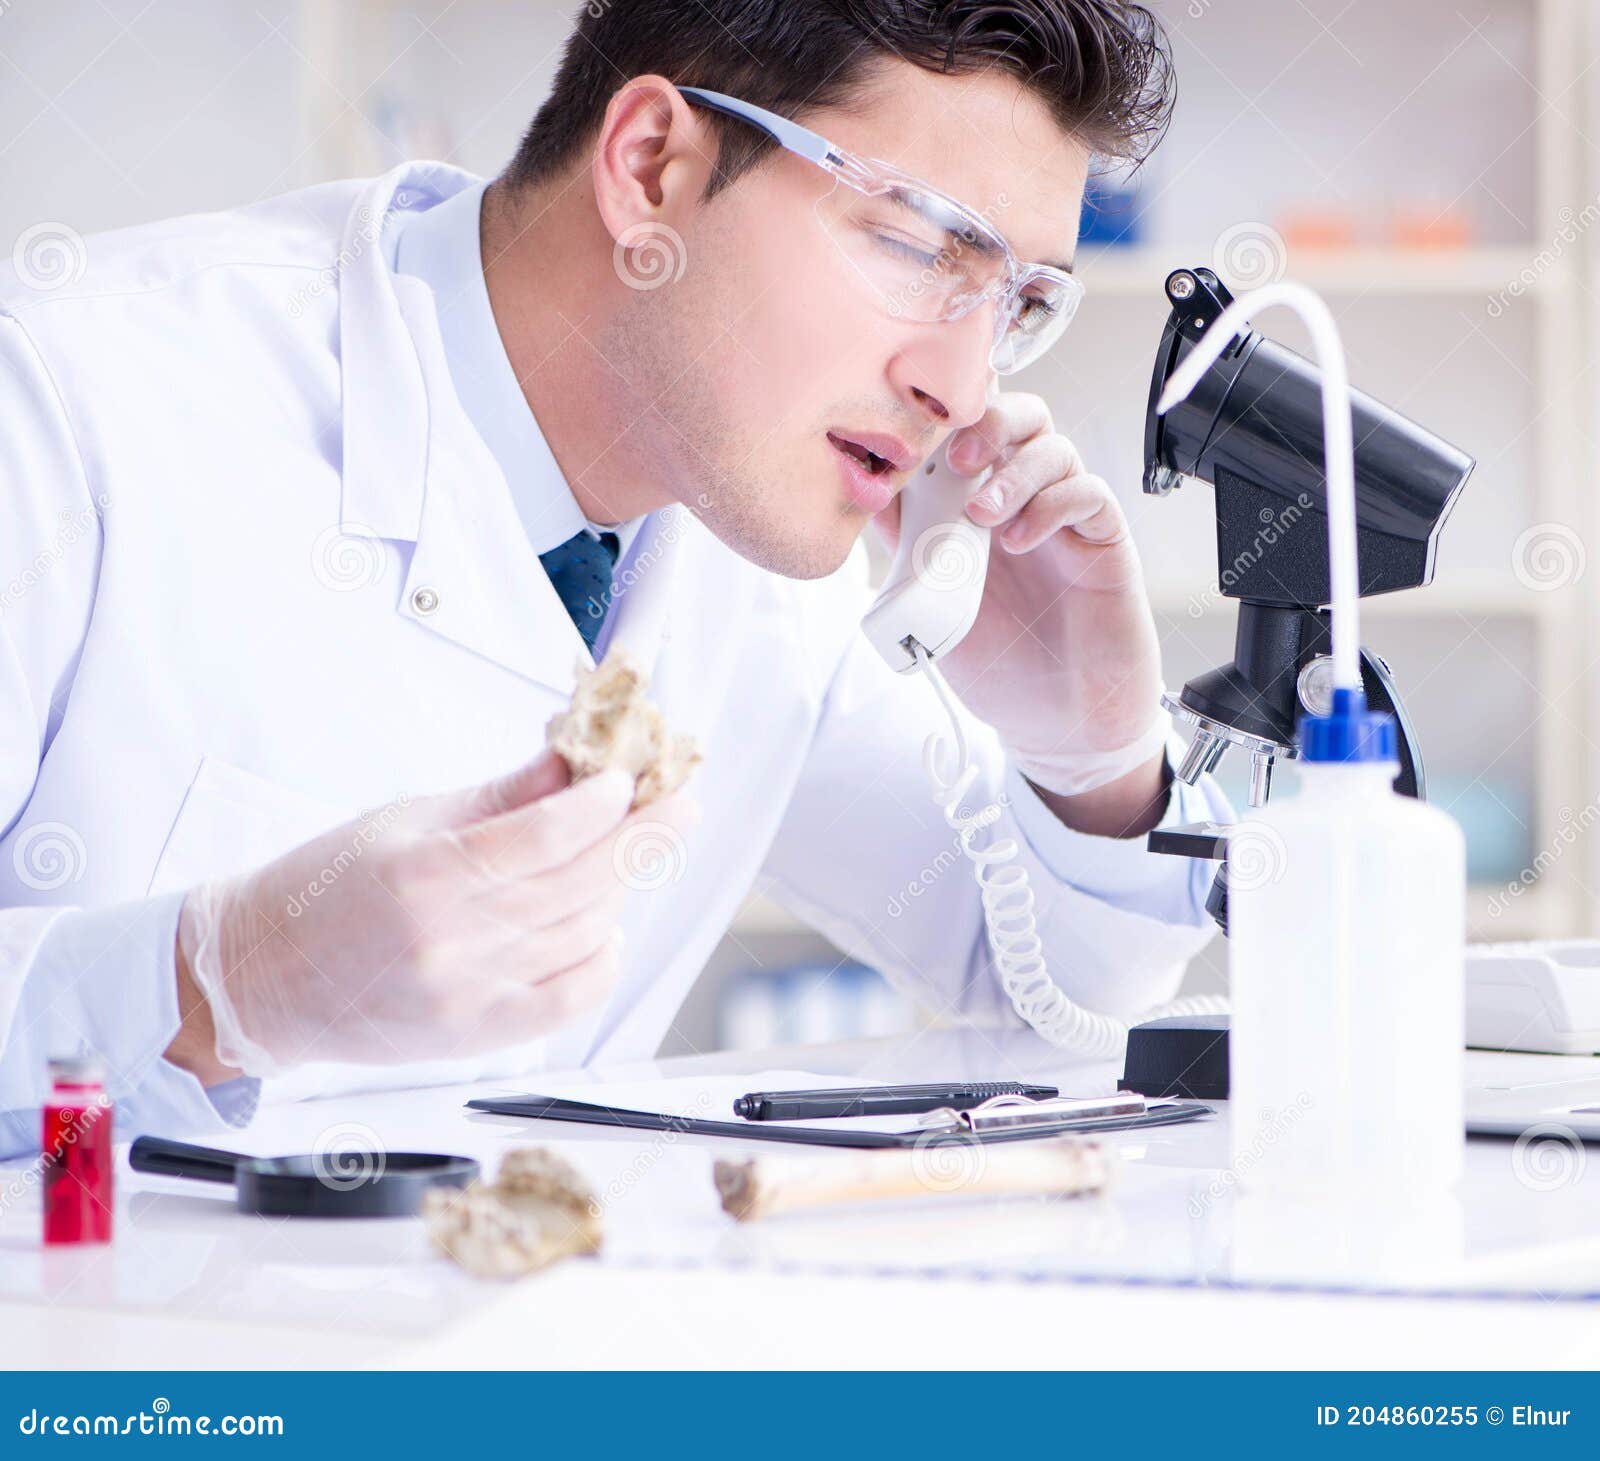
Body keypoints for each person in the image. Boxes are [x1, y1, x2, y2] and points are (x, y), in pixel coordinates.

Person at [0, 0, 1227, 1153]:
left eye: (1018, 304)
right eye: (917, 248)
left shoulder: (758, 546)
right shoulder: (67, 402)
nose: (962, 387)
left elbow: (1061, 1008)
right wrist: (210, 982)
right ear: (651, 167)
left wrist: (1094, 768)